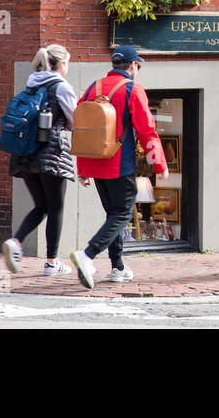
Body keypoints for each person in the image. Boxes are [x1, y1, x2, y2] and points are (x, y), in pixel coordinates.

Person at [69, 45, 168, 289]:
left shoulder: (93, 87)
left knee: (113, 214)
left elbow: (81, 128)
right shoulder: (133, 89)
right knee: (122, 214)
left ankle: (118, 267)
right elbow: (147, 131)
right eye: (138, 66)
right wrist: (159, 165)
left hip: (95, 161)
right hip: (119, 163)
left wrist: (83, 167)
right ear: (133, 66)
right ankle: (87, 255)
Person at [2, 44, 78, 276]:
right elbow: (76, 120)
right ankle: (52, 262)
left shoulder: (31, 85)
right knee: (56, 208)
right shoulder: (61, 86)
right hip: (51, 153)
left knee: (41, 206)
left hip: (25, 154)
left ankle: (16, 241)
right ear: (62, 64)